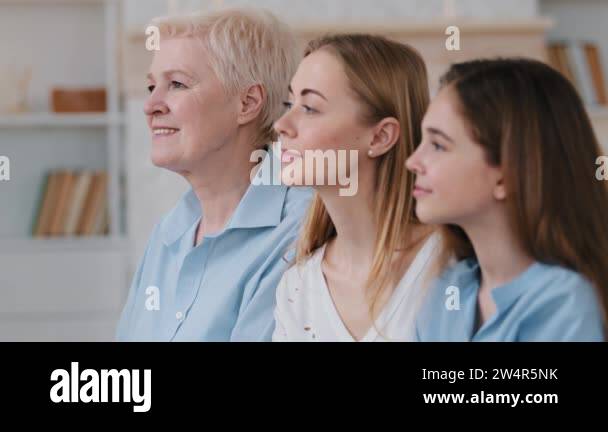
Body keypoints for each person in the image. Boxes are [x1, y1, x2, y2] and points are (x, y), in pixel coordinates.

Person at [116, 8, 311, 341]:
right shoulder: (170, 232)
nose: (151, 106)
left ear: (247, 103)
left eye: (177, 84)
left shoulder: (301, 230)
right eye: (151, 87)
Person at [408, 58, 607, 341]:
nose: (413, 162)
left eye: (438, 145)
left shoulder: (563, 304)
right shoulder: (447, 288)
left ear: (506, 175)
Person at [272, 34, 439, 342]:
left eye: (309, 107)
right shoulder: (297, 288)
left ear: (379, 137)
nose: (282, 125)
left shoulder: (453, 266)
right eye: (289, 103)